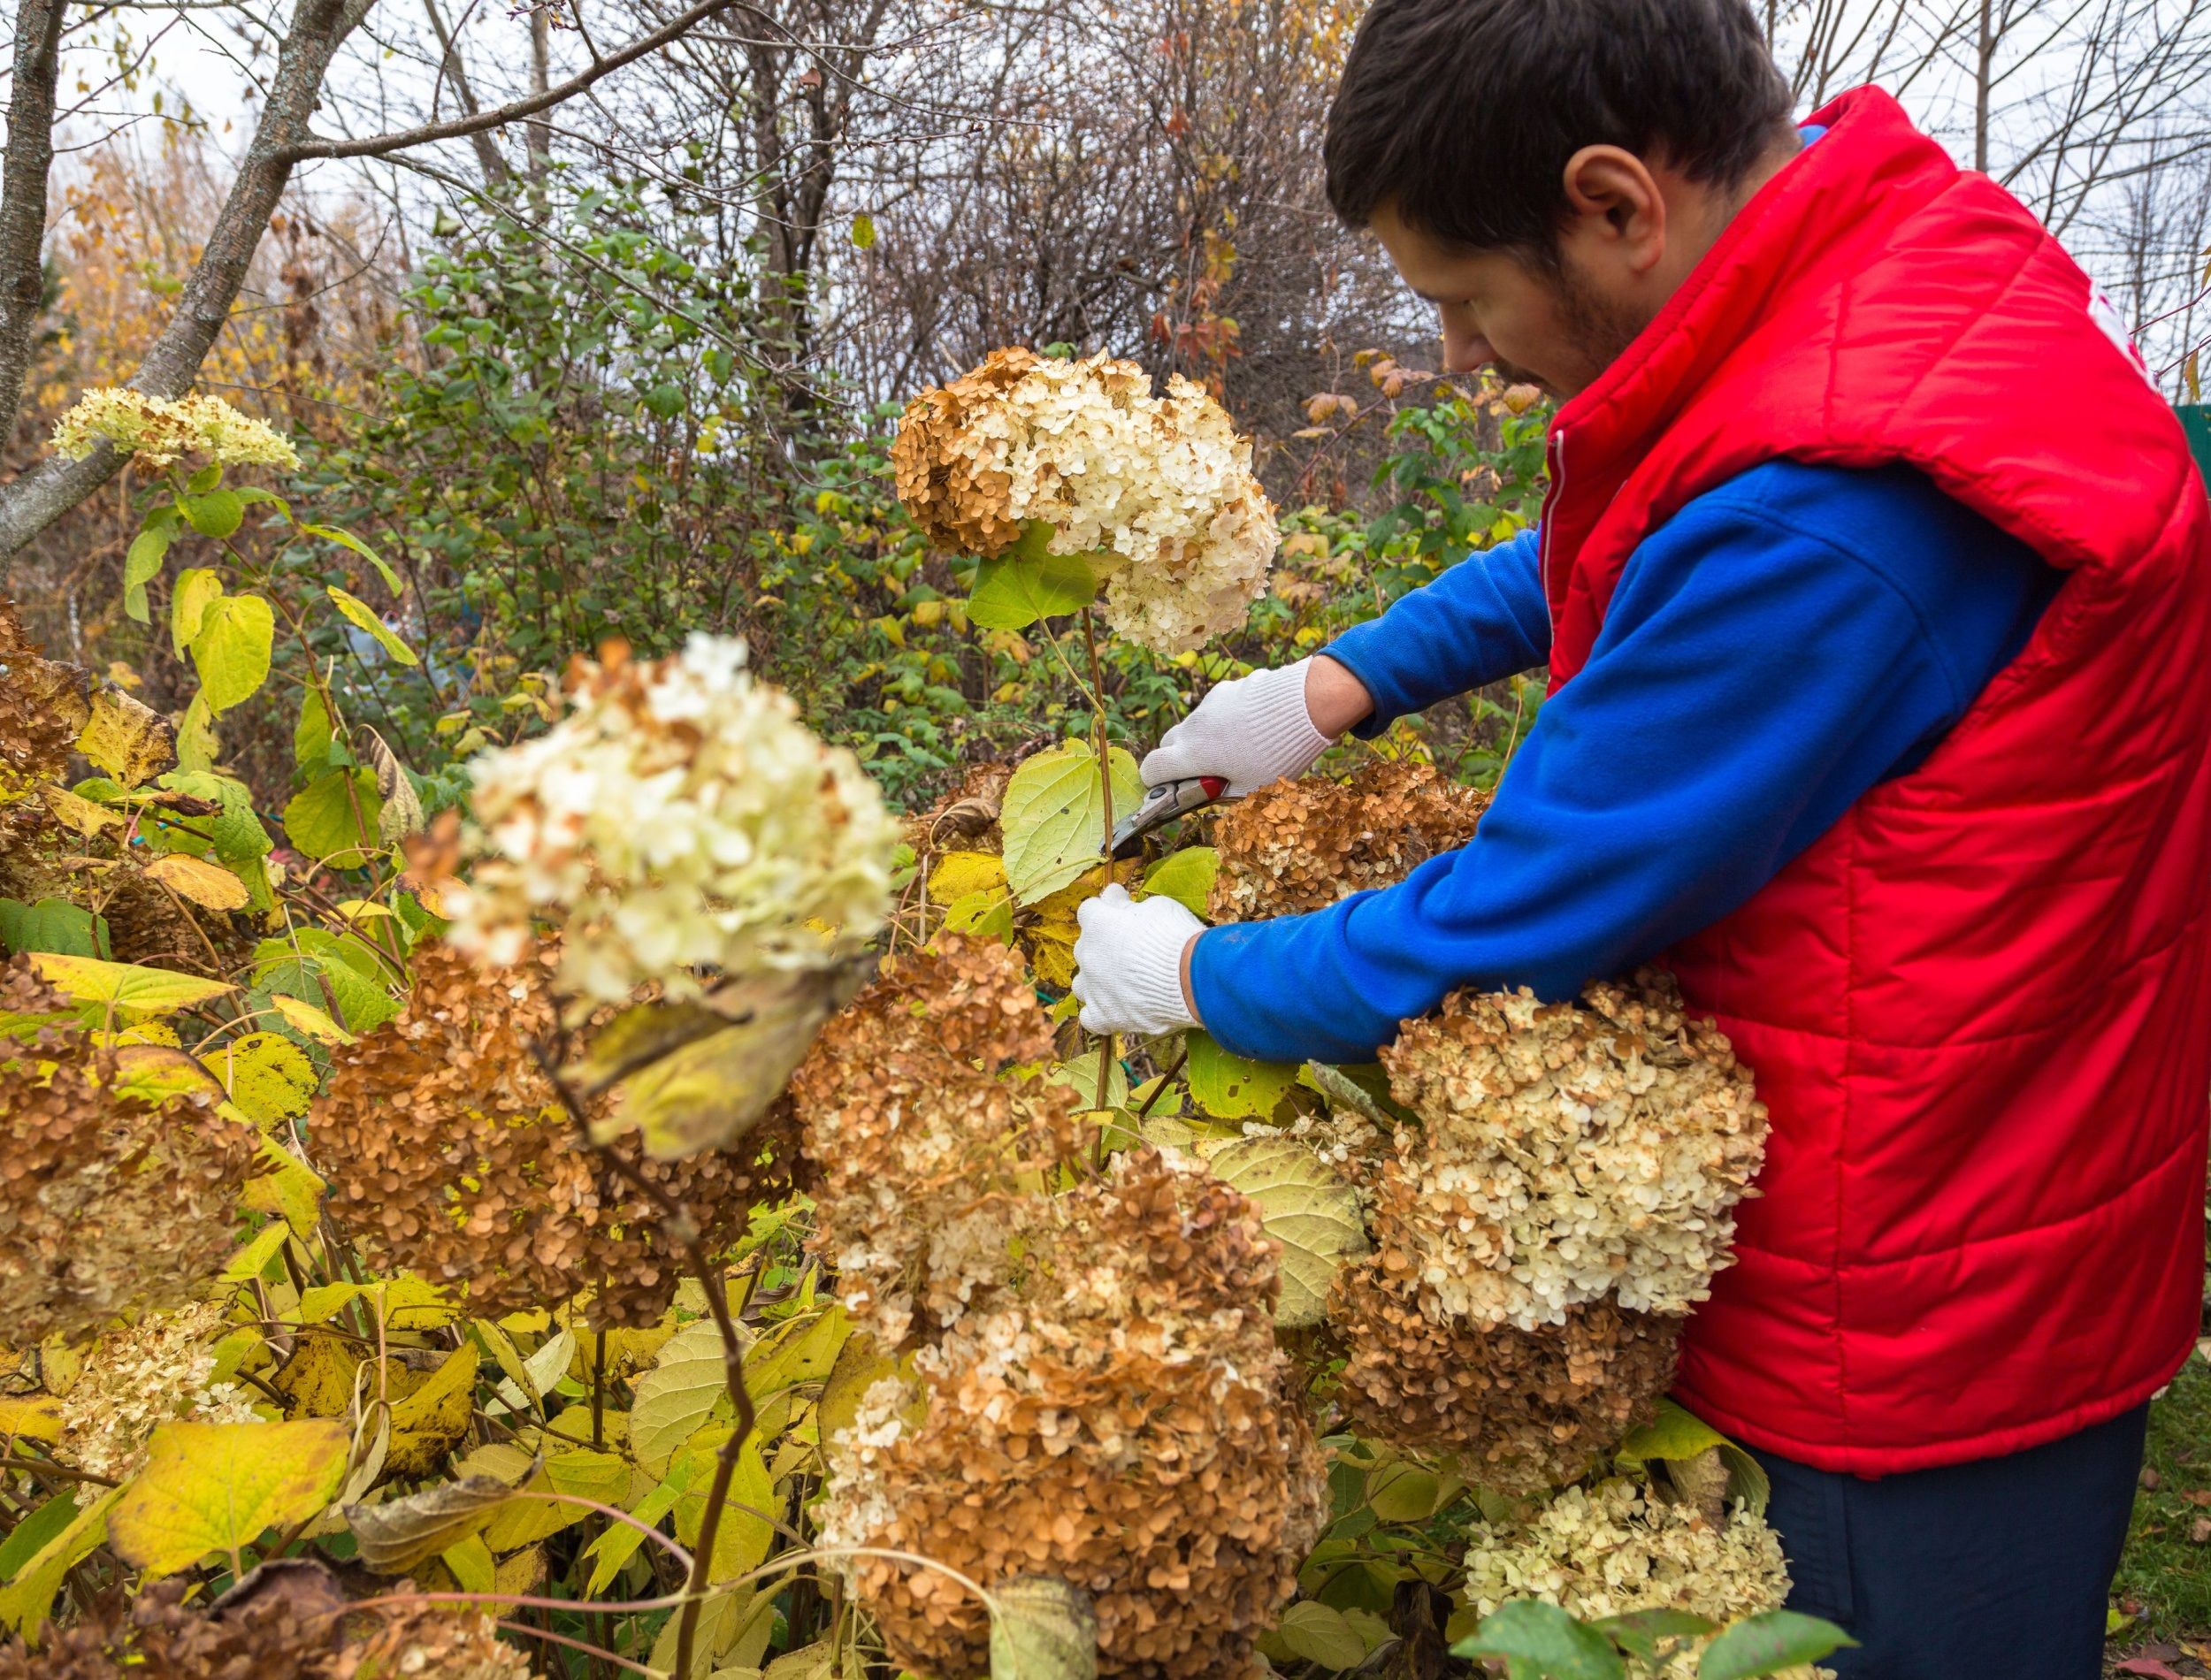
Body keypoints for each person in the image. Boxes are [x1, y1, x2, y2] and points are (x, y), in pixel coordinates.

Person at [1066, 2, 2211, 1674]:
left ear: (1615, 204)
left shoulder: (1835, 528)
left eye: (1466, 298)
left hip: (1899, 1329)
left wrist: (1198, 977)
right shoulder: (1887, 300)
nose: (1459, 354)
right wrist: (1340, 683)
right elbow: (1654, 529)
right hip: (2005, 1187)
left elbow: (1528, 909)